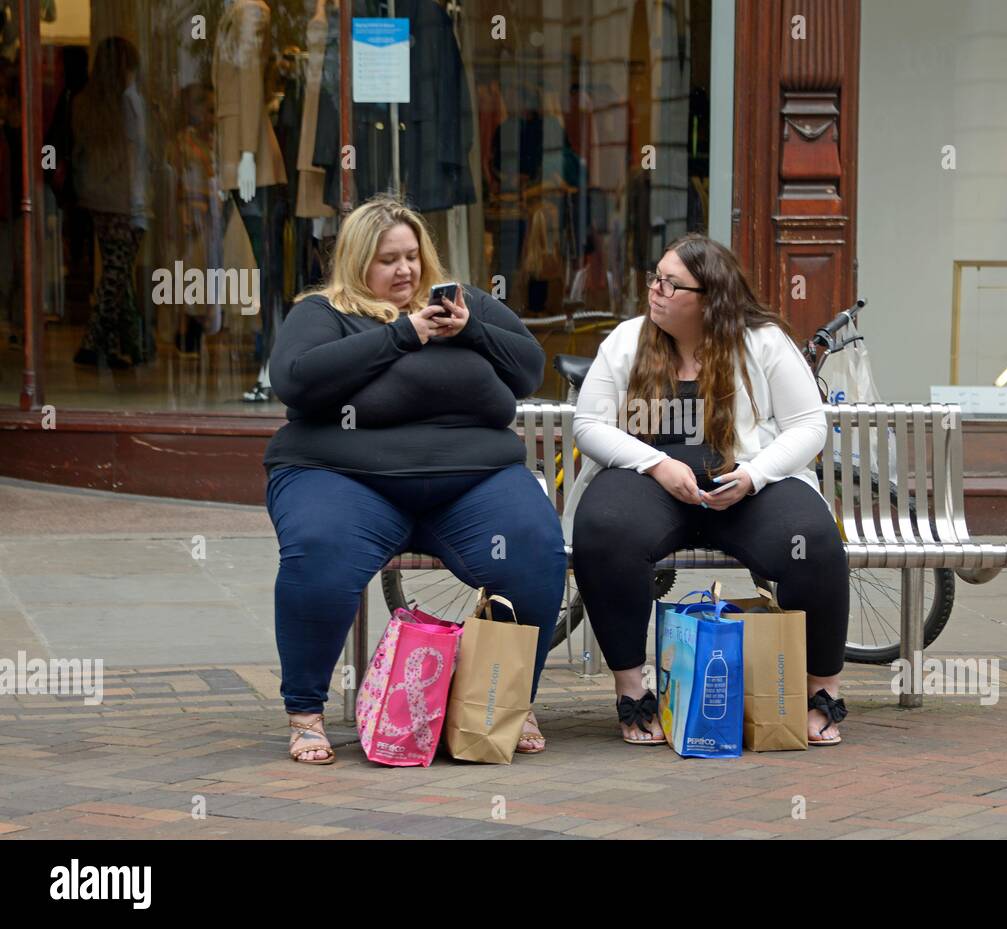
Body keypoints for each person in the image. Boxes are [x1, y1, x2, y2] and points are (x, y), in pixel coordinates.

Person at [264, 194, 565, 763]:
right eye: (387, 259)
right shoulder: (323, 312)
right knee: (319, 550)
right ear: (357, 262)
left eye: (411, 255)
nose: (404, 270)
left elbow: (528, 370)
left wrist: (472, 330)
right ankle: (305, 711)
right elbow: (298, 382)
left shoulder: (460, 303)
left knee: (533, 547)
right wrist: (403, 335)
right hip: (343, 476)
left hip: (472, 480)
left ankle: (509, 702)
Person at [570, 233, 851, 747]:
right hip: (651, 483)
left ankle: (820, 692)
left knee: (811, 537)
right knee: (604, 529)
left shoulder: (762, 341)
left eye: (670, 283)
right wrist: (654, 462)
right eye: (654, 277)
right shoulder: (629, 340)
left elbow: (809, 426)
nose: (654, 289)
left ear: (710, 297)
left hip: (746, 483)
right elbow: (589, 425)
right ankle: (632, 691)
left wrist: (755, 475)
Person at [70, 37, 148, 368]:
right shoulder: (128, 103)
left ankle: (130, 346)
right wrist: (139, 203)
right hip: (123, 198)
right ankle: (91, 344)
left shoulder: (85, 101)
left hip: (96, 197)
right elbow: (136, 154)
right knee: (116, 272)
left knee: (119, 273)